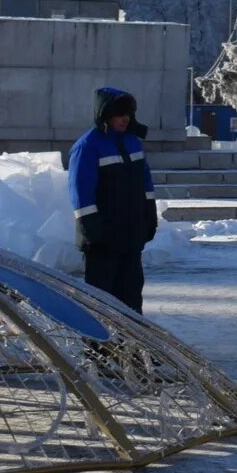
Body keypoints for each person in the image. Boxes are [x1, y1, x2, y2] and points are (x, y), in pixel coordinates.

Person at [69, 87, 159, 310]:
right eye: (120, 114)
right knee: (101, 301)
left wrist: (149, 215)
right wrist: (92, 231)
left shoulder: (132, 142)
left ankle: (131, 343)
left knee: (131, 295)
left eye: (128, 114)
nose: (125, 119)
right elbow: (80, 192)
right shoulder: (88, 146)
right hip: (103, 240)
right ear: (106, 114)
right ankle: (99, 346)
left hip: (131, 236)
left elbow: (145, 182)